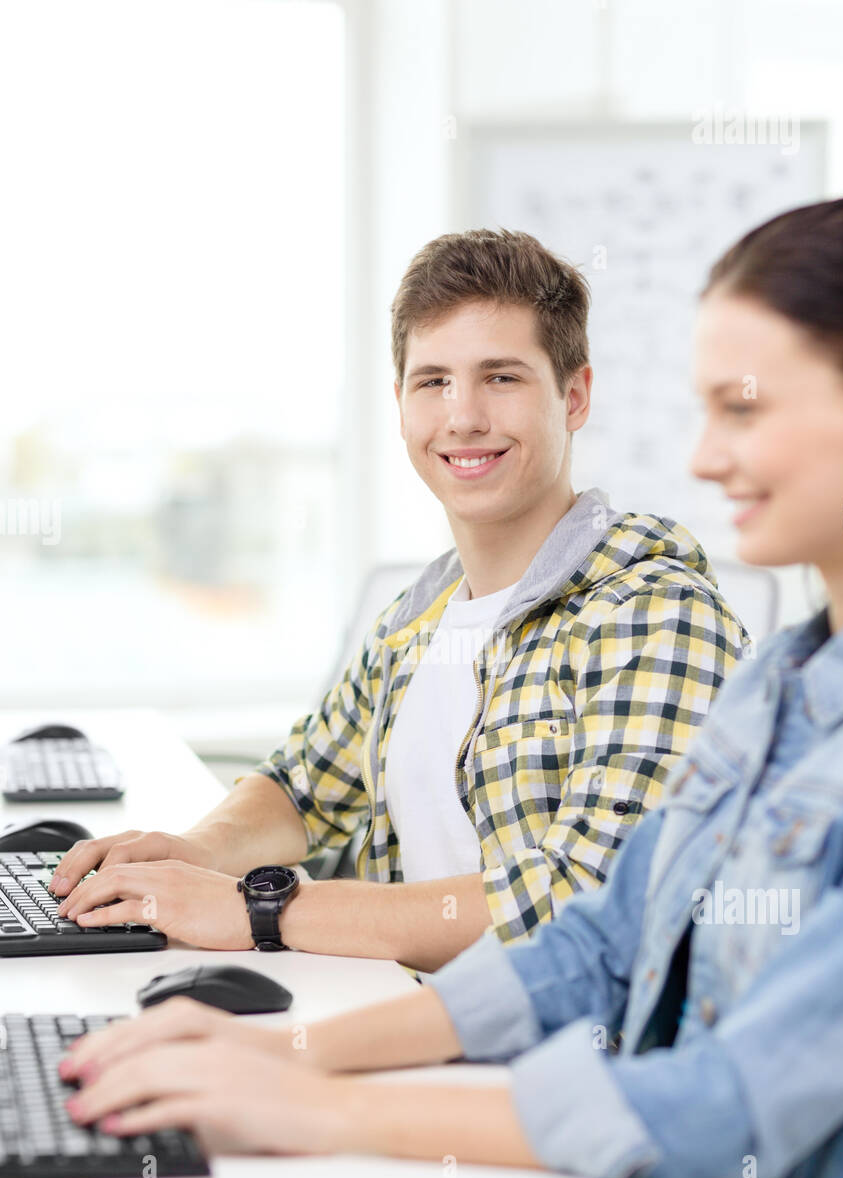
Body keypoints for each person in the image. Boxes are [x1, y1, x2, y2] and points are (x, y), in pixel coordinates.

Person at [60, 194, 843, 1178]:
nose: (702, 458)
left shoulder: (676, 621)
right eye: (432, 380)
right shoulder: (780, 688)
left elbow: (727, 1099)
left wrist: (319, 1082)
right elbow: (596, 945)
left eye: (743, 409)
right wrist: (290, 1053)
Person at [48, 229, 745, 972]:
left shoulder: (654, 615)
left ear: (573, 396)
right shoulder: (421, 617)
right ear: (401, 401)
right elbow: (302, 787)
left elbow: (581, 900)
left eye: (501, 378)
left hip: (552, 1064)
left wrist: (258, 910)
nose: (463, 416)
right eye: (433, 380)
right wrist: (195, 852)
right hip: (408, 1018)